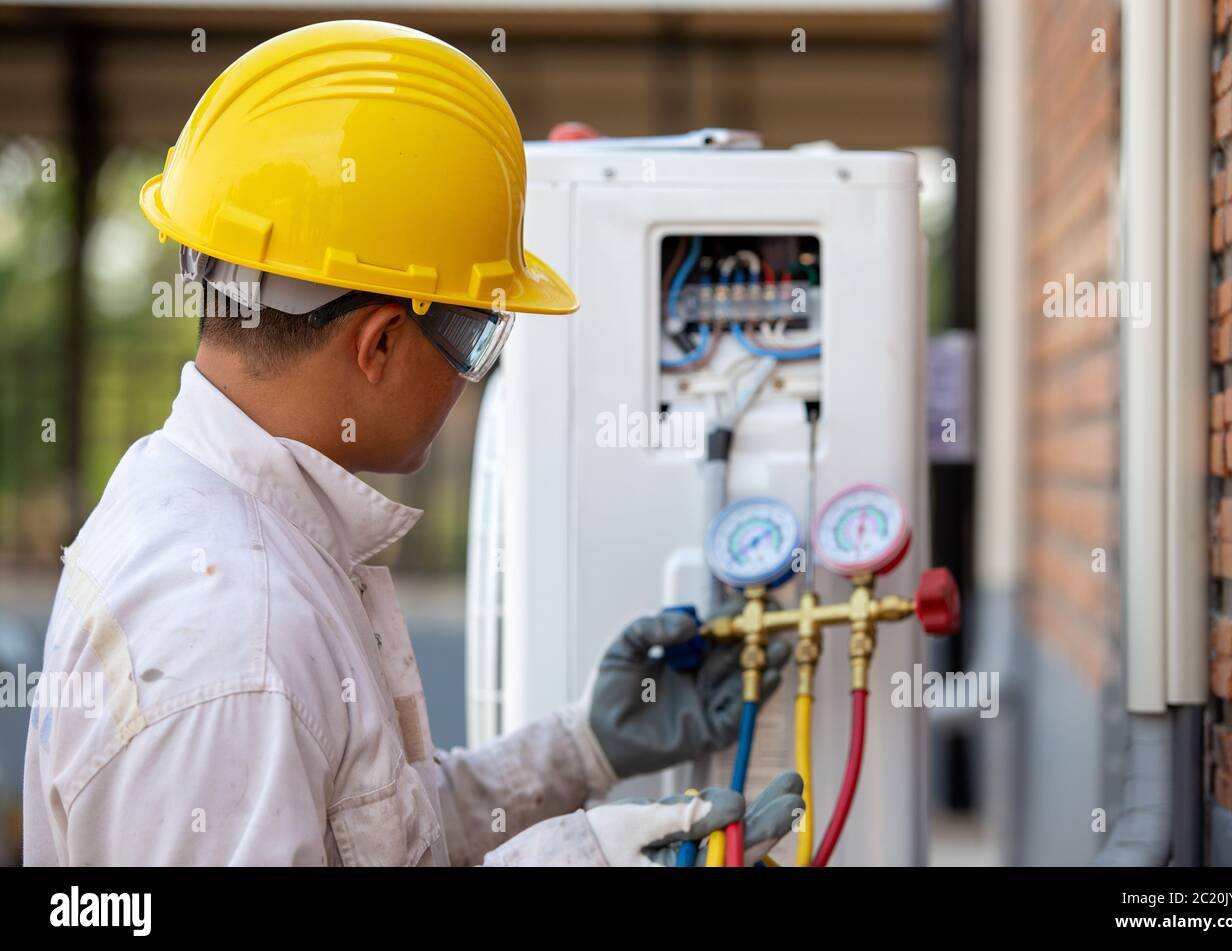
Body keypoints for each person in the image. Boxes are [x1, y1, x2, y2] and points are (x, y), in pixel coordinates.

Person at [22, 20, 801, 866]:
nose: (473, 378)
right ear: (381, 341)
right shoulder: (236, 635)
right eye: (477, 336)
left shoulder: (218, 520)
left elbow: (374, 831)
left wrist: (583, 749)